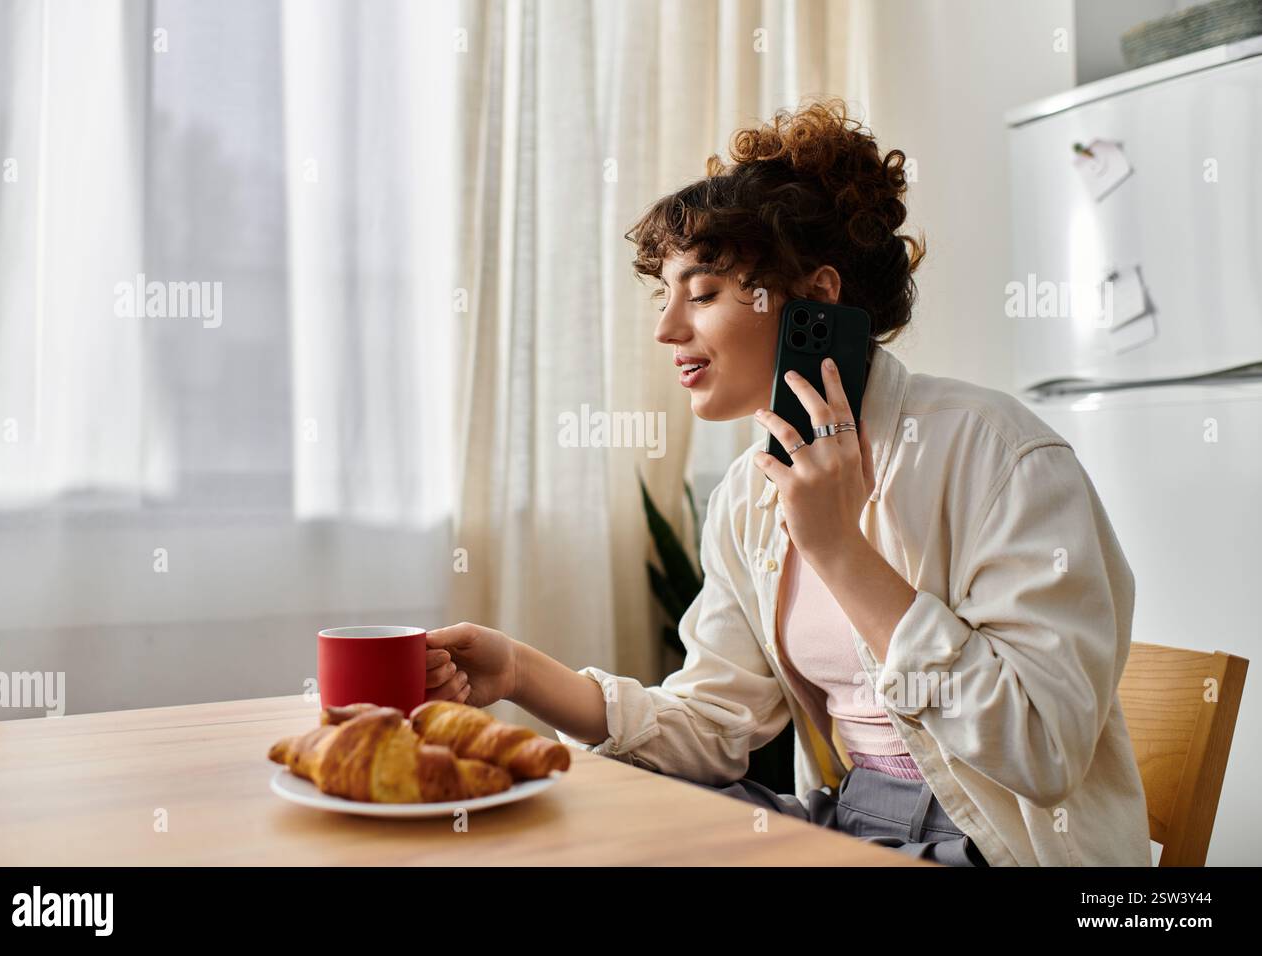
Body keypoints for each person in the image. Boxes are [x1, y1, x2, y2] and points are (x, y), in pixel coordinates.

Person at [423, 98, 1151, 866]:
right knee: (602, 834)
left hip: (999, 845)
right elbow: (714, 725)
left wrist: (837, 548)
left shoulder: (998, 456)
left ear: (816, 299)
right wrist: (518, 672)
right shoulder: (750, 493)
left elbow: (1042, 749)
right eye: (663, 296)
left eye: (701, 294)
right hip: (849, 824)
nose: (668, 329)